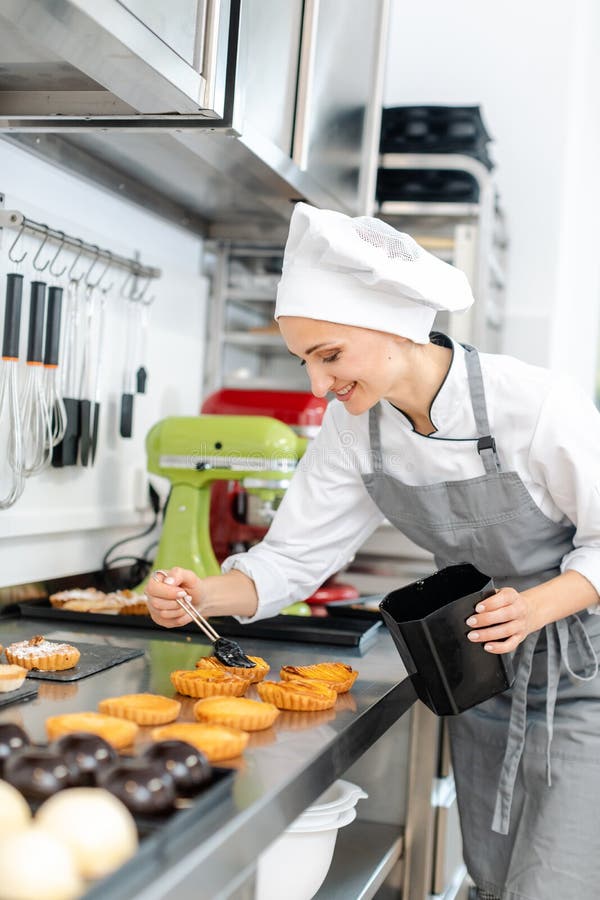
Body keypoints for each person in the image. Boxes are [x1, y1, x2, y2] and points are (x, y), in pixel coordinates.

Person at [147, 203, 600, 900]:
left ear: (396, 327)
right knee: (494, 878)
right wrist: (202, 594)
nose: (317, 385)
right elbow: (290, 561)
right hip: (482, 676)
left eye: (329, 356)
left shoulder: (535, 405)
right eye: (306, 362)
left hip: (584, 678)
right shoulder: (356, 430)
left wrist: (538, 605)